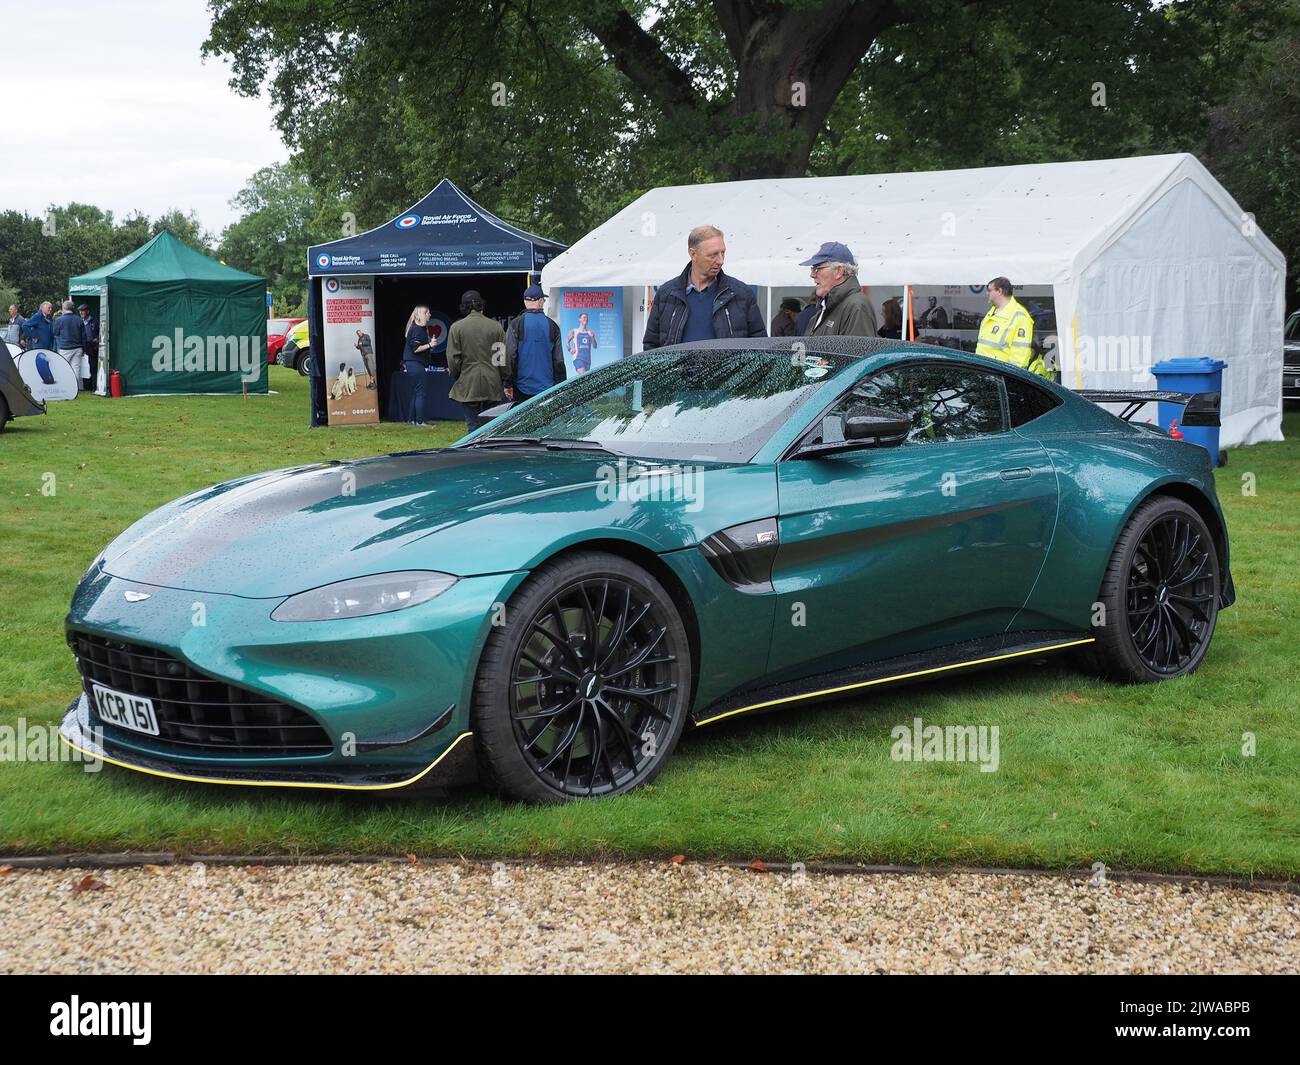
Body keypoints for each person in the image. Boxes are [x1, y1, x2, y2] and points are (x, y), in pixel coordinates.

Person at [641, 224, 766, 349]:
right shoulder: (666, 294)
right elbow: (651, 347)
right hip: (678, 369)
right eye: (713, 255)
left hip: (728, 369)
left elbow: (760, 347)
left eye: (723, 253)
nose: (720, 260)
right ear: (693, 254)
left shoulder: (742, 294)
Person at [446, 290, 507, 431]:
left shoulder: (456, 328)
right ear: (481, 305)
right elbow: (501, 358)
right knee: (491, 426)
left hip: (468, 381)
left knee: (472, 425)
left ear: (463, 307)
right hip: (492, 381)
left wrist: (457, 375)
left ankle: (473, 451)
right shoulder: (495, 326)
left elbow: (453, 358)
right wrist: (503, 377)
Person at [799, 242, 878, 337]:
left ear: (839, 271)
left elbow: (858, 350)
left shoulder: (856, 306)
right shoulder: (827, 306)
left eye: (817, 268)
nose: (812, 275)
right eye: (812, 269)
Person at [505, 284, 565, 405]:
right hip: (547, 387)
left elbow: (510, 355)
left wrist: (507, 383)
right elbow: (558, 360)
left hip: (522, 388)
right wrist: (561, 384)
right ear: (540, 301)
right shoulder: (552, 326)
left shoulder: (515, 324)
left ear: (525, 301)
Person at [975, 277, 1047, 376]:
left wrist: (1010, 380)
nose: (987, 293)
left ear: (999, 291)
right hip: (984, 374)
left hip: (1000, 379)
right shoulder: (992, 311)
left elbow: (1019, 356)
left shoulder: (1020, 316)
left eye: (989, 290)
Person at [401, 305, 436, 425]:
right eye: (428, 313)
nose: (430, 315)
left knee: (416, 392)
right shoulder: (417, 329)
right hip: (415, 364)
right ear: (422, 314)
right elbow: (415, 348)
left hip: (412, 364)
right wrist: (430, 345)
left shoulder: (416, 328)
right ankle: (420, 421)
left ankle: (412, 420)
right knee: (420, 392)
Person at [52, 300, 88, 386]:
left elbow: (55, 333)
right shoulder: (79, 320)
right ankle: (74, 387)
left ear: (64, 308)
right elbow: (84, 336)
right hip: (78, 347)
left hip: (65, 348)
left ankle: (64, 386)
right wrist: (84, 349)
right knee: (76, 368)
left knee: (63, 367)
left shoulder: (59, 320)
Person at [78, 304, 99, 387]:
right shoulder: (79, 321)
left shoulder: (94, 321)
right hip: (83, 346)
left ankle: (94, 386)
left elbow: (100, 333)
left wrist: (97, 338)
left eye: (83, 311)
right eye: (80, 311)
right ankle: (86, 386)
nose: (81, 312)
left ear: (87, 311)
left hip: (92, 346)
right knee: (84, 366)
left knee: (92, 366)